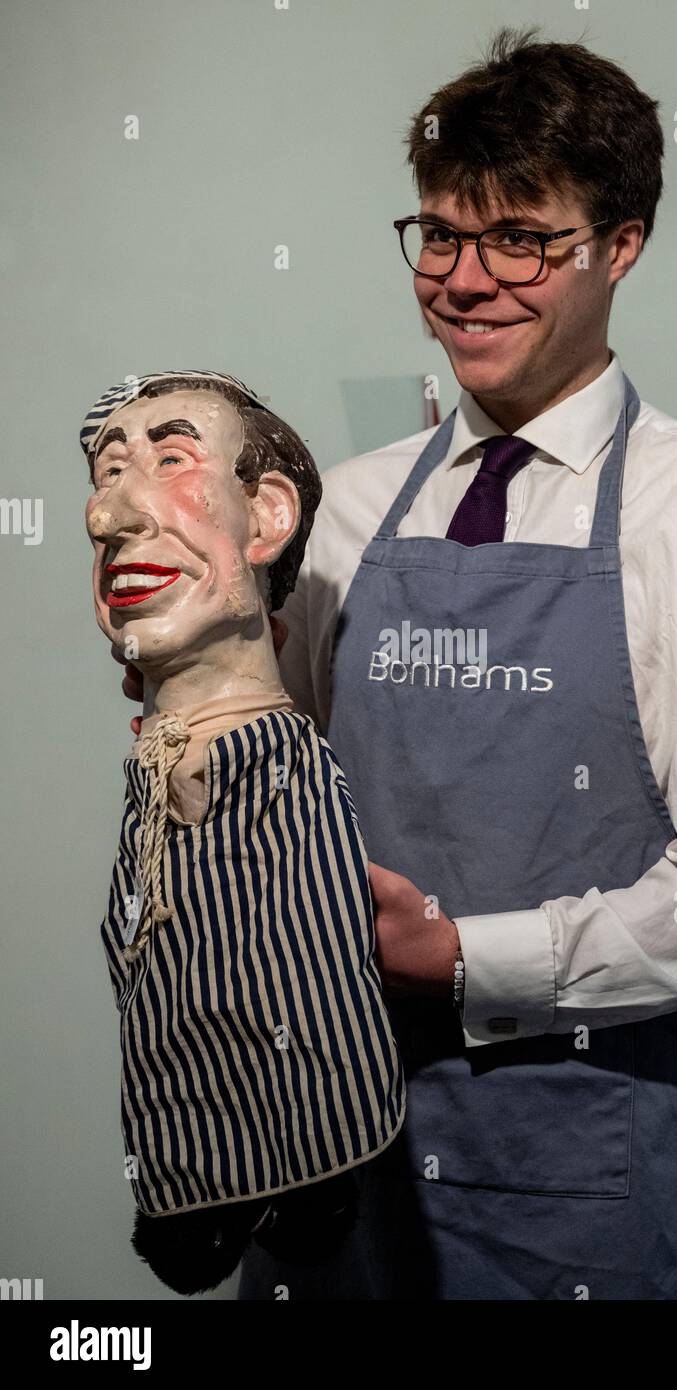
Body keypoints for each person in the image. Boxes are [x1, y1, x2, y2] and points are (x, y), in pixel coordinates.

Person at [122, 30, 677, 1300]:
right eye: (440, 235)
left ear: (620, 244)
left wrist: (458, 954)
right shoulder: (338, 512)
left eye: (519, 239)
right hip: (335, 1150)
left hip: (605, 1181)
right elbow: (261, 802)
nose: (466, 278)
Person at [85, 371, 405, 1293]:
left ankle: (318, 1159)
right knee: (156, 979)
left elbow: (320, 967)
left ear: (267, 515)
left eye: (171, 460)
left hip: (237, 738)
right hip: (163, 765)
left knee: (299, 959)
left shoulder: (286, 774)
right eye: (106, 476)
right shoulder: (150, 770)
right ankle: (190, 1181)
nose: (110, 516)